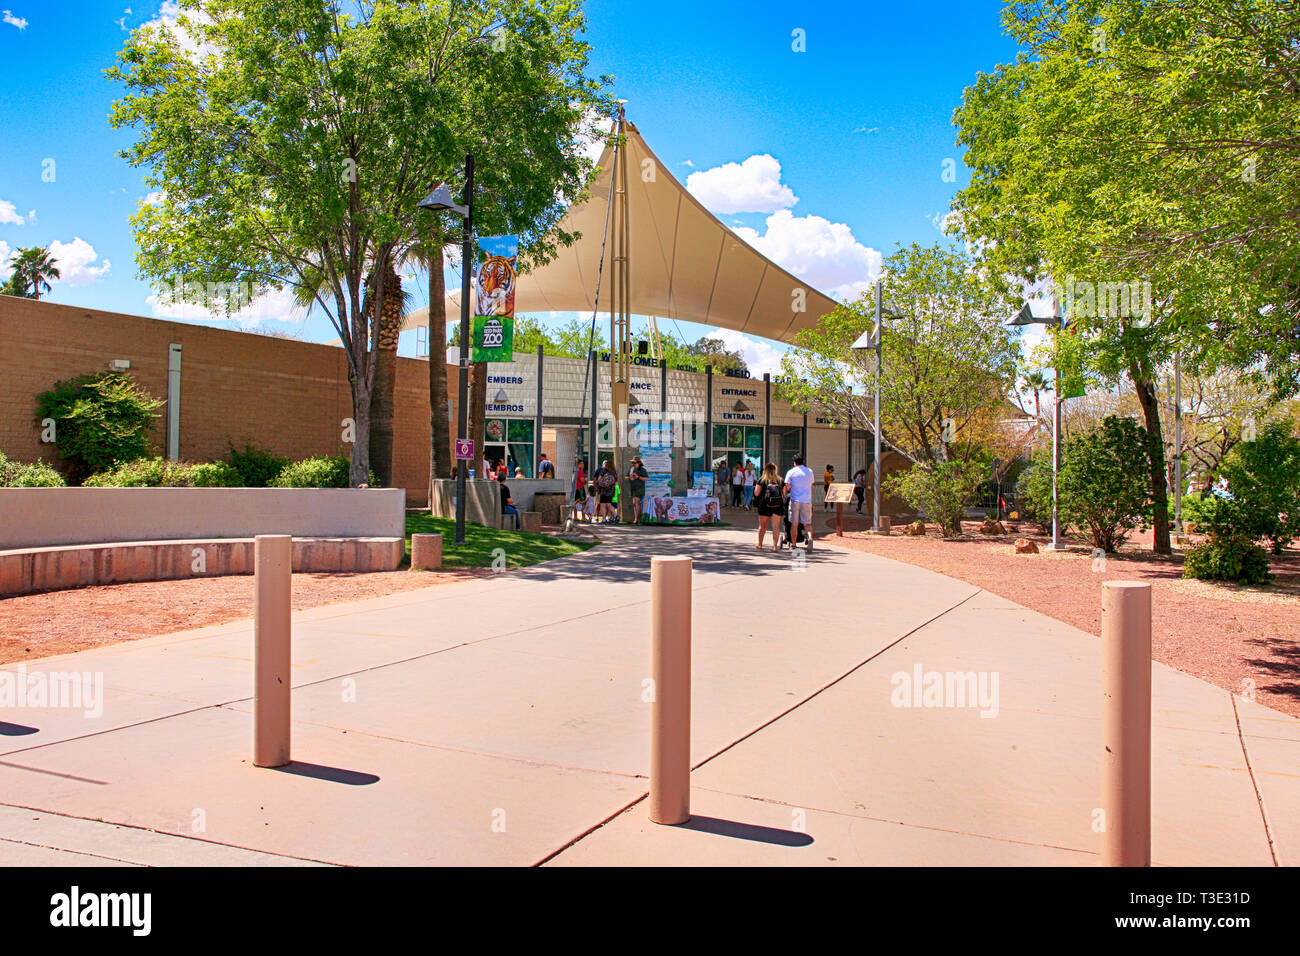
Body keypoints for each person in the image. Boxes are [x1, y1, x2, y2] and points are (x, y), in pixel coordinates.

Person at [785, 454, 815, 550]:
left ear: (794, 462)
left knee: (794, 523)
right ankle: (809, 537)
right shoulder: (809, 471)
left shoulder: (791, 472)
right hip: (807, 500)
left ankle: (793, 544)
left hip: (795, 500)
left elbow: (788, 486)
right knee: (807, 523)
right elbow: (811, 484)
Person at [755, 462, 785, 552]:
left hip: (764, 505)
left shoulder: (762, 480)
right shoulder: (780, 480)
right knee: (776, 527)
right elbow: (784, 494)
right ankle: (774, 546)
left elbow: (756, 493)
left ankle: (760, 544)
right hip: (777, 506)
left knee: (762, 526)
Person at [627, 455, 649, 523]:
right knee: (634, 503)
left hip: (639, 488)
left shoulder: (643, 470)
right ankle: (637, 518)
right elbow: (626, 477)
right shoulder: (631, 469)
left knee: (637, 503)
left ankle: (637, 519)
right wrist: (629, 477)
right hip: (633, 488)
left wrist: (638, 477)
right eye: (632, 463)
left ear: (639, 463)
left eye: (634, 463)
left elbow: (646, 478)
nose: (633, 464)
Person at [571, 459, 587, 523]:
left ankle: (575, 516)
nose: (583, 465)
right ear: (578, 464)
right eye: (581, 464)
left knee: (575, 502)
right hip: (580, 488)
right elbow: (582, 480)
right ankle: (583, 517)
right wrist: (586, 481)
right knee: (583, 502)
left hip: (575, 488)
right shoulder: (580, 471)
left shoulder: (574, 471)